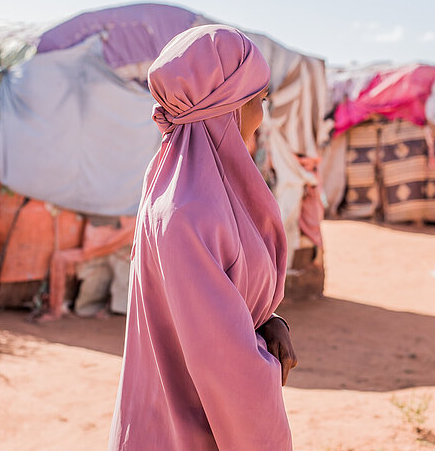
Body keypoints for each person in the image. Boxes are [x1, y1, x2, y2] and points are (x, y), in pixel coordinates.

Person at [109, 25, 297, 450]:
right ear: (228, 108)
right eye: (259, 102)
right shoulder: (191, 211)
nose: (261, 119)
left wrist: (267, 320)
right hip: (194, 430)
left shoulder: (179, 186)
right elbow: (227, 366)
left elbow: (213, 304)